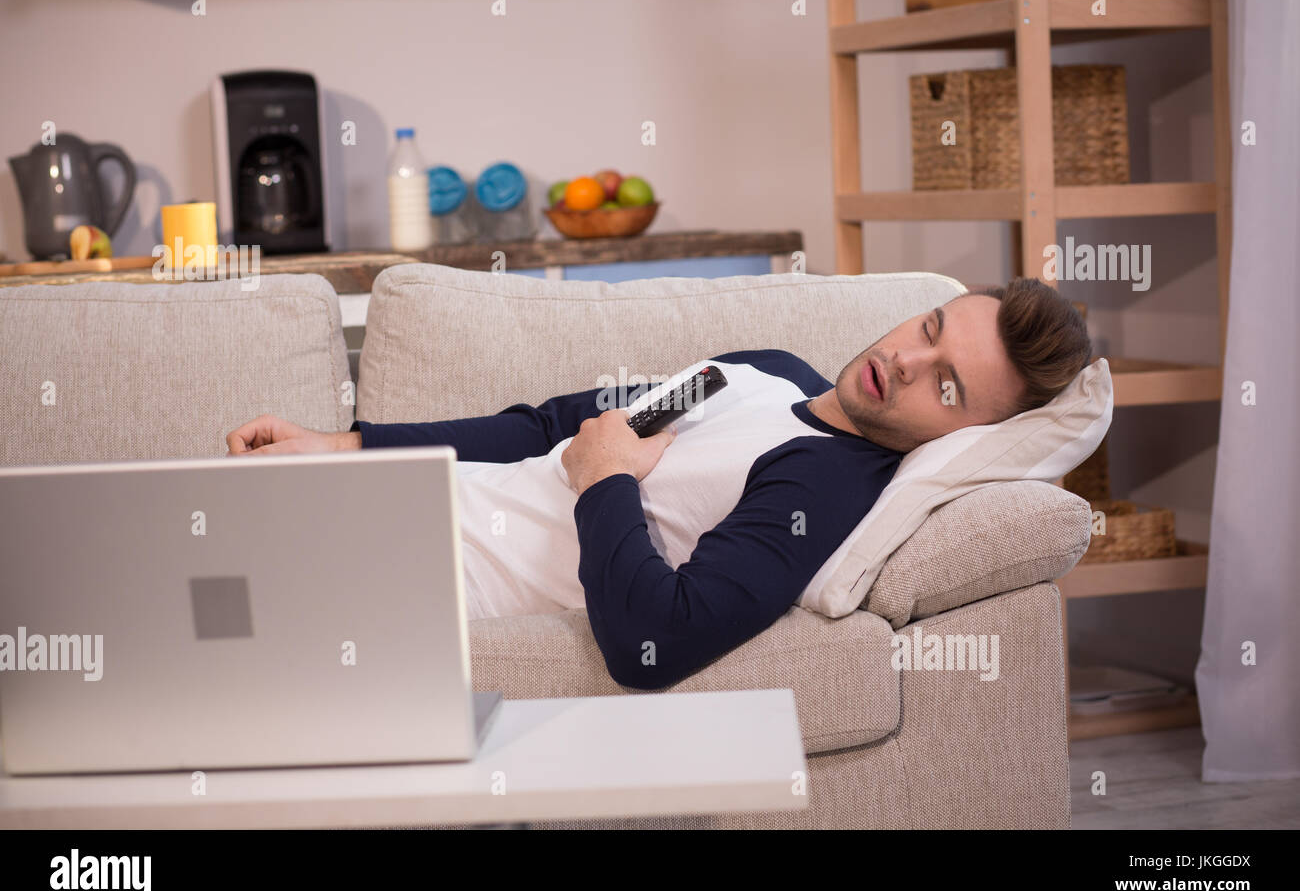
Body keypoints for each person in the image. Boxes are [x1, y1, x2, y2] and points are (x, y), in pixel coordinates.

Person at [227, 277, 1090, 689]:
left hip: (406, 583)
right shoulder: (765, 371)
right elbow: (552, 424)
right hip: (372, 509)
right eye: (929, 330)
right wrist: (342, 444)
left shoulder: (821, 490)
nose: (902, 361)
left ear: (970, 433)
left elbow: (657, 639)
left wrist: (606, 483)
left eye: (945, 386)